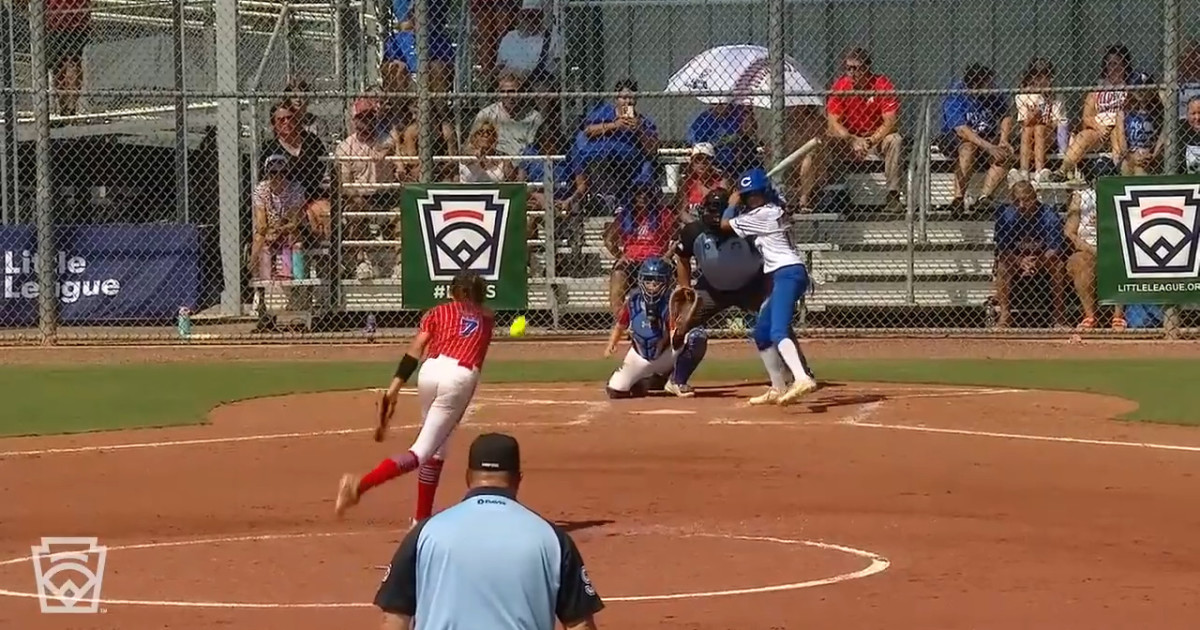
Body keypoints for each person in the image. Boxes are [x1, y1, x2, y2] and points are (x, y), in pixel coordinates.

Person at [374, 432, 604, 630]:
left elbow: (394, 620)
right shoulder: (551, 538)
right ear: (518, 480)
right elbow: (579, 625)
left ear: (468, 477)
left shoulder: (425, 533)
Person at [335, 271, 495, 524]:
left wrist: (394, 388)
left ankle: (420, 519)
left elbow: (416, 349)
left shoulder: (437, 312)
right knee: (421, 452)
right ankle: (359, 486)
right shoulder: (488, 318)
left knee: (436, 451)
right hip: (459, 377)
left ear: (453, 292)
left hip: (429, 372)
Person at [669, 188, 780, 398]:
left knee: (777, 323)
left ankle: (798, 372)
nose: (716, 217)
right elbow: (682, 259)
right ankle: (672, 377)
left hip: (751, 286)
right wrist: (685, 289)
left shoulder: (746, 228)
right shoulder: (694, 231)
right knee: (686, 328)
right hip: (712, 288)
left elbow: (769, 257)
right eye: (712, 210)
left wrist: (770, 288)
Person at [720, 169, 818, 406]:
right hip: (785, 273)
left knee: (778, 331)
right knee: (762, 332)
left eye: (755, 194)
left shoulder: (763, 214)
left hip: (788, 272)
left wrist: (731, 203)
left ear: (764, 192)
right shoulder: (775, 208)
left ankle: (802, 377)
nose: (752, 198)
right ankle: (777, 387)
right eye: (748, 196)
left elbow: (724, 226)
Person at [993, 181, 1068, 328]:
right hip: (1016, 258)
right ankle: (1005, 315)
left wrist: (1037, 262)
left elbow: (1055, 249)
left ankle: (1059, 316)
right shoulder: (1007, 216)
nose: (1021, 205)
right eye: (1016, 201)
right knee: (1002, 266)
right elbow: (1003, 249)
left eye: (1026, 200)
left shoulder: (1048, 216)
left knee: (1057, 265)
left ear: (1034, 198)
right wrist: (1020, 261)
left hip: (1043, 257)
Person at [603, 258, 678, 399]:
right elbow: (620, 325)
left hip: (666, 354)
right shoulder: (633, 301)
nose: (652, 286)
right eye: (648, 281)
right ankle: (648, 381)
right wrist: (611, 344)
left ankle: (677, 379)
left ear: (667, 282)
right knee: (616, 390)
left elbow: (677, 331)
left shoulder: (672, 301)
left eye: (657, 282)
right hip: (640, 355)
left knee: (694, 337)